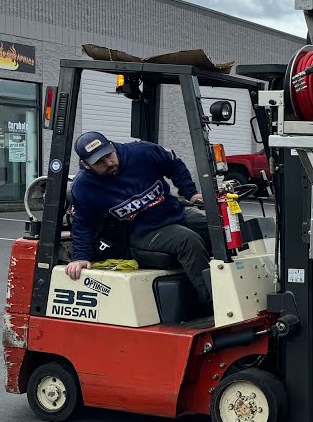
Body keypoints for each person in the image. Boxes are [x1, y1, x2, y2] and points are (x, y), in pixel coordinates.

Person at [65, 131, 213, 305]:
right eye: (100, 162)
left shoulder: (141, 152)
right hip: (143, 232)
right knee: (188, 241)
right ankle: (214, 304)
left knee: (218, 225)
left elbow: (173, 164)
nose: (109, 163)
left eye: (108, 155)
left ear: (112, 146)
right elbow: (84, 224)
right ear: (86, 165)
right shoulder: (84, 187)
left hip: (173, 212)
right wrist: (81, 257)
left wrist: (191, 193)